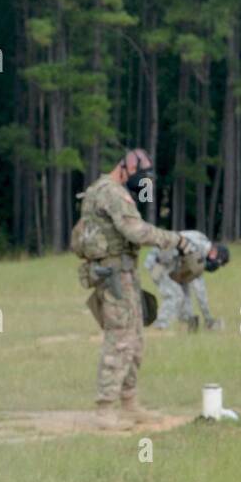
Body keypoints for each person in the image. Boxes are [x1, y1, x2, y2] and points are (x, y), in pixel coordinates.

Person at [74, 148, 199, 430]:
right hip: (114, 275)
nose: (142, 182)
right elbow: (135, 231)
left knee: (135, 337)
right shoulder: (111, 192)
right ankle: (105, 408)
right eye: (140, 176)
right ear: (126, 168)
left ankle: (129, 401)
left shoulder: (107, 189)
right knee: (119, 338)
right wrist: (175, 239)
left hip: (124, 272)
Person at [144, 231, 230, 331]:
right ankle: (160, 326)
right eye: (218, 263)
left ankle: (188, 323)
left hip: (172, 264)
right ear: (214, 253)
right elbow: (200, 293)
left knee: (185, 293)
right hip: (159, 263)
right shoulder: (197, 251)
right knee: (174, 295)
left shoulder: (201, 243)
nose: (216, 266)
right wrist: (208, 320)